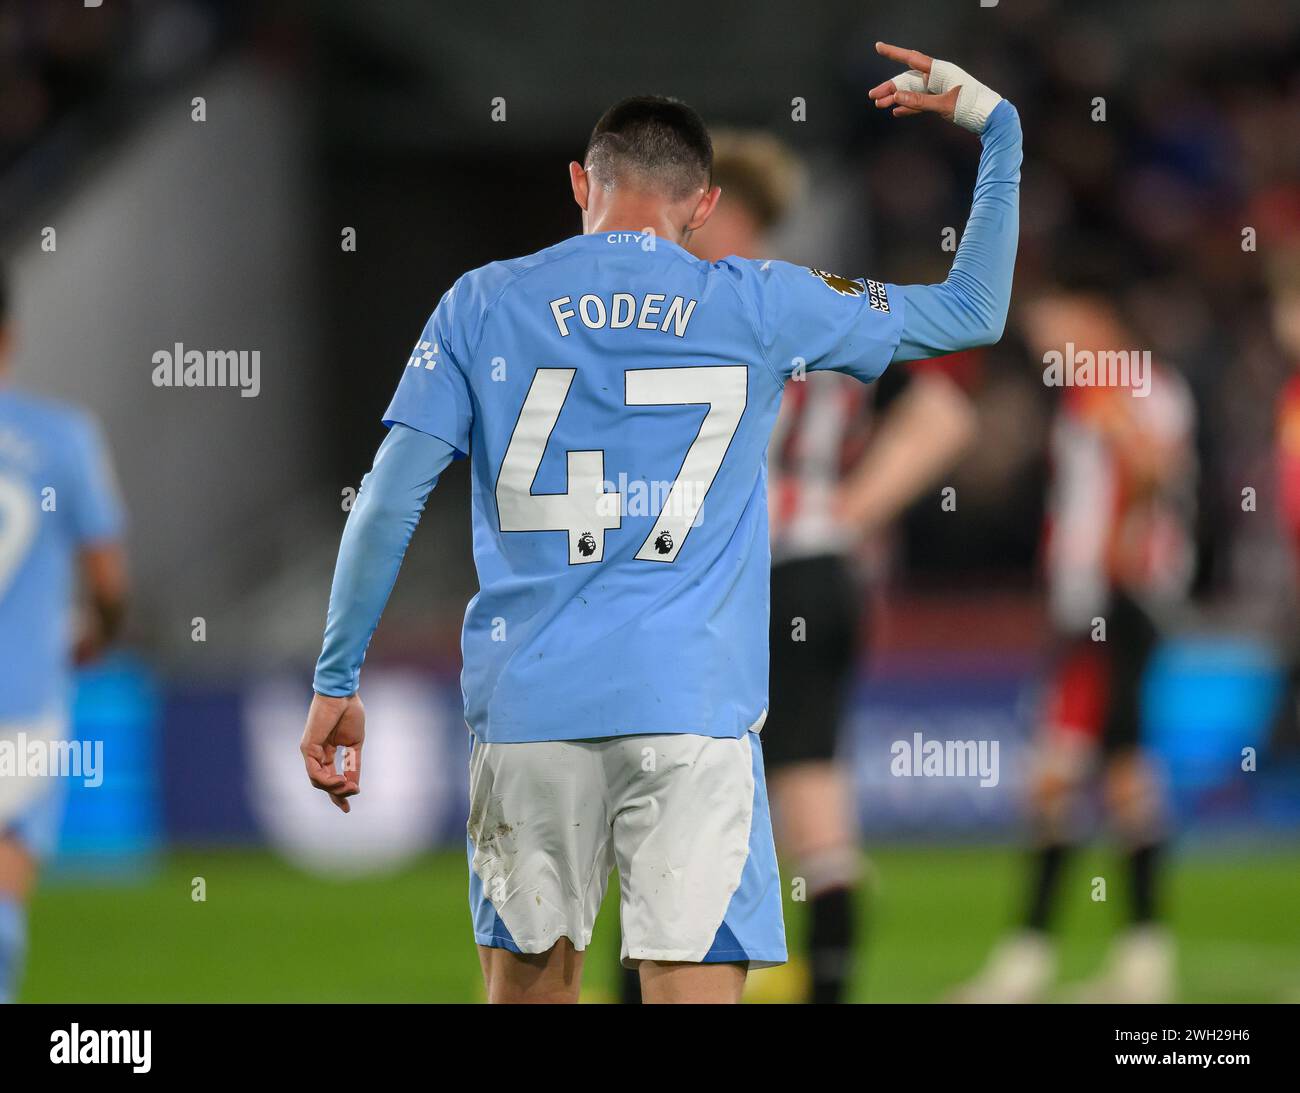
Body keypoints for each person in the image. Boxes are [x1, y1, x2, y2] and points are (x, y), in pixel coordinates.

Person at [302, 42, 1021, 1004]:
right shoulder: (763, 302)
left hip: (528, 711)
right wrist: (996, 128)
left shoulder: (479, 303)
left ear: (577, 183)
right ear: (707, 206)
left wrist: (337, 676)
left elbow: (387, 497)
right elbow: (974, 311)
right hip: (693, 715)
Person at [612, 130, 976, 1005]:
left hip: (738, 579)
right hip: (817, 569)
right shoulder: (821, 299)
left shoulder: (690, 306)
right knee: (814, 799)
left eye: (692, 211)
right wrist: (849, 513)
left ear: (724, 208)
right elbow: (943, 414)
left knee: (666, 796)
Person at [952, 293, 1195, 1003]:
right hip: (1094, 606)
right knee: (1123, 777)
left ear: (1095, 318)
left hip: (1115, 606)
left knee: (1059, 777)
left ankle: (1029, 958)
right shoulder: (1102, 390)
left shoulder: (1128, 385)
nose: (1045, 344)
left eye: (1054, 328)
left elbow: (1153, 467)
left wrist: (1118, 561)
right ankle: (1142, 957)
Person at [0, 270, 128, 1003]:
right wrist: (94, 635)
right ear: (10, 334)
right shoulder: (61, 437)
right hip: (20, 708)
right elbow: (109, 584)